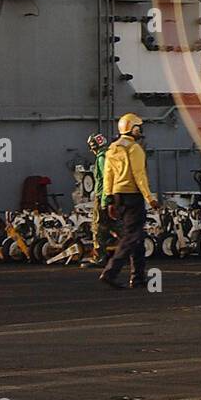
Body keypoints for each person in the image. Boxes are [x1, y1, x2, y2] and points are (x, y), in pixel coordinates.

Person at [99, 113, 157, 289]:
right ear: (134, 129)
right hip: (133, 196)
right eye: (139, 127)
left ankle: (137, 277)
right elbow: (140, 175)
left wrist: (109, 200)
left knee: (136, 236)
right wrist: (150, 198)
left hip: (118, 197)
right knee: (132, 237)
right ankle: (110, 272)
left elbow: (107, 176)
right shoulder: (134, 148)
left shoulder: (112, 149)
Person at [81, 133, 111, 268]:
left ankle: (100, 257)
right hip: (108, 196)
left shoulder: (101, 158)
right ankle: (132, 249)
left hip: (102, 197)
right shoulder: (108, 156)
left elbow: (106, 180)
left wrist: (104, 200)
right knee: (115, 226)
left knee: (98, 227)